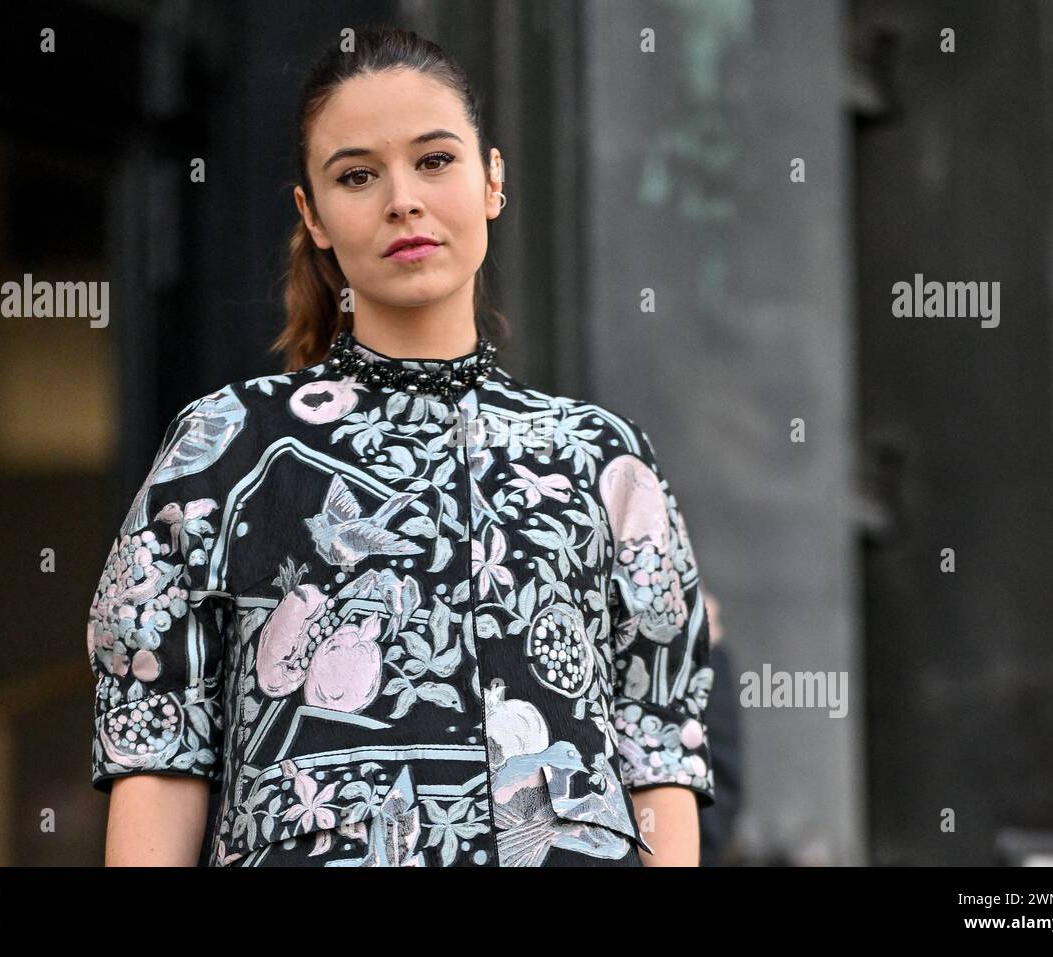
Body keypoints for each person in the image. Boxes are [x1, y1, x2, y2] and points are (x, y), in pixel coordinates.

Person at [88, 25, 727, 867]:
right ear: (312, 215)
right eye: (358, 175)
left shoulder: (602, 458)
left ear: (493, 179)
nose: (403, 200)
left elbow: (658, 753)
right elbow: (158, 745)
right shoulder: (229, 450)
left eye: (435, 161)